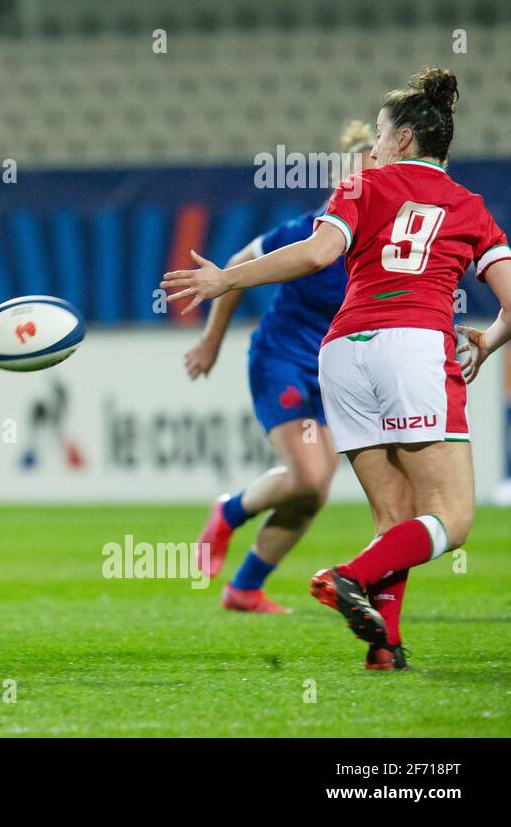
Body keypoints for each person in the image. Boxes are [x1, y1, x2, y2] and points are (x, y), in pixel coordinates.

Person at [164, 68, 511, 669]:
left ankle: (384, 646)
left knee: (393, 515)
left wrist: (225, 277)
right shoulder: (468, 206)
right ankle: (347, 576)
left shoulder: (359, 190)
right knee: (451, 520)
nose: (371, 148)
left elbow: (317, 254)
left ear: (403, 139)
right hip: (414, 348)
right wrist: (489, 342)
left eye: (378, 135)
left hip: (343, 353)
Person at [183, 121, 374, 613]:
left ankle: (244, 588)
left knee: (313, 491)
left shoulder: (381, 246)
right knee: (310, 475)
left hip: (336, 375)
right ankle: (228, 511)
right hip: (282, 360)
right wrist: (211, 341)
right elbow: (231, 273)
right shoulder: (306, 232)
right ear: (341, 180)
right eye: (360, 172)